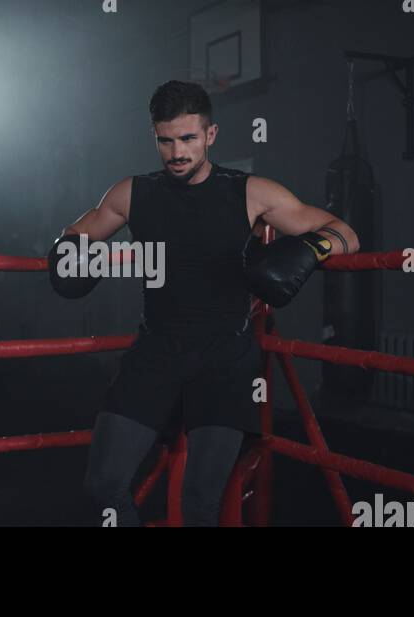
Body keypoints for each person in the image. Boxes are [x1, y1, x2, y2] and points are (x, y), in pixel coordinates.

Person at [48, 80, 359, 526]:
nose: (177, 152)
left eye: (188, 139)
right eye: (166, 140)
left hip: (224, 361)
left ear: (211, 135)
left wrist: (312, 250)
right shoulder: (132, 193)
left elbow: (345, 231)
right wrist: (67, 252)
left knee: (199, 505)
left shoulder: (250, 192)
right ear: (155, 136)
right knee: (103, 485)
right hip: (155, 353)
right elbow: (74, 237)